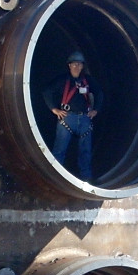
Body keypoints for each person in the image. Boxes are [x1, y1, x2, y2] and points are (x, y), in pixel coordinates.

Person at [41, 51, 105, 181]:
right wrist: (54, 109)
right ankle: (56, 178)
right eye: (74, 64)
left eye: (79, 64)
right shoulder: (62, 80)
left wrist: (96, 110)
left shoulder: (87, 80)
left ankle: (86, 179)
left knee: (85, 152)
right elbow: (47, 91)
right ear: (69, 65)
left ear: (82, 66)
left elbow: (99, 93)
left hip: (84, 119)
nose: (77, 67)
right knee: (59, 150)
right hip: (67, 118)